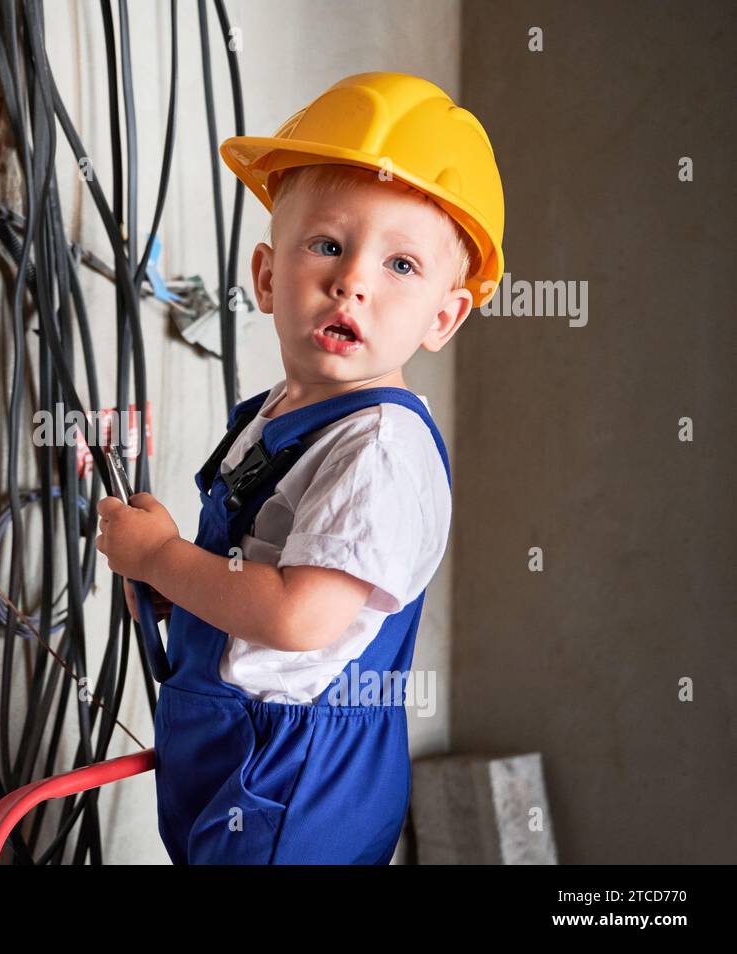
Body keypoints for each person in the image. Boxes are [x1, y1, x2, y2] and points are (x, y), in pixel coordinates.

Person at [95, 71, 505, 864]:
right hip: (231, 756)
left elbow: (298, 618)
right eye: (327, 245)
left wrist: (160, 558)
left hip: (294, 789)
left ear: (444, 318)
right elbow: (258, 579)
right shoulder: (276, 412)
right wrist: (178, 585)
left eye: (402, 266)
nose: (353, 279)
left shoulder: (378, 447)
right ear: (266, 276)